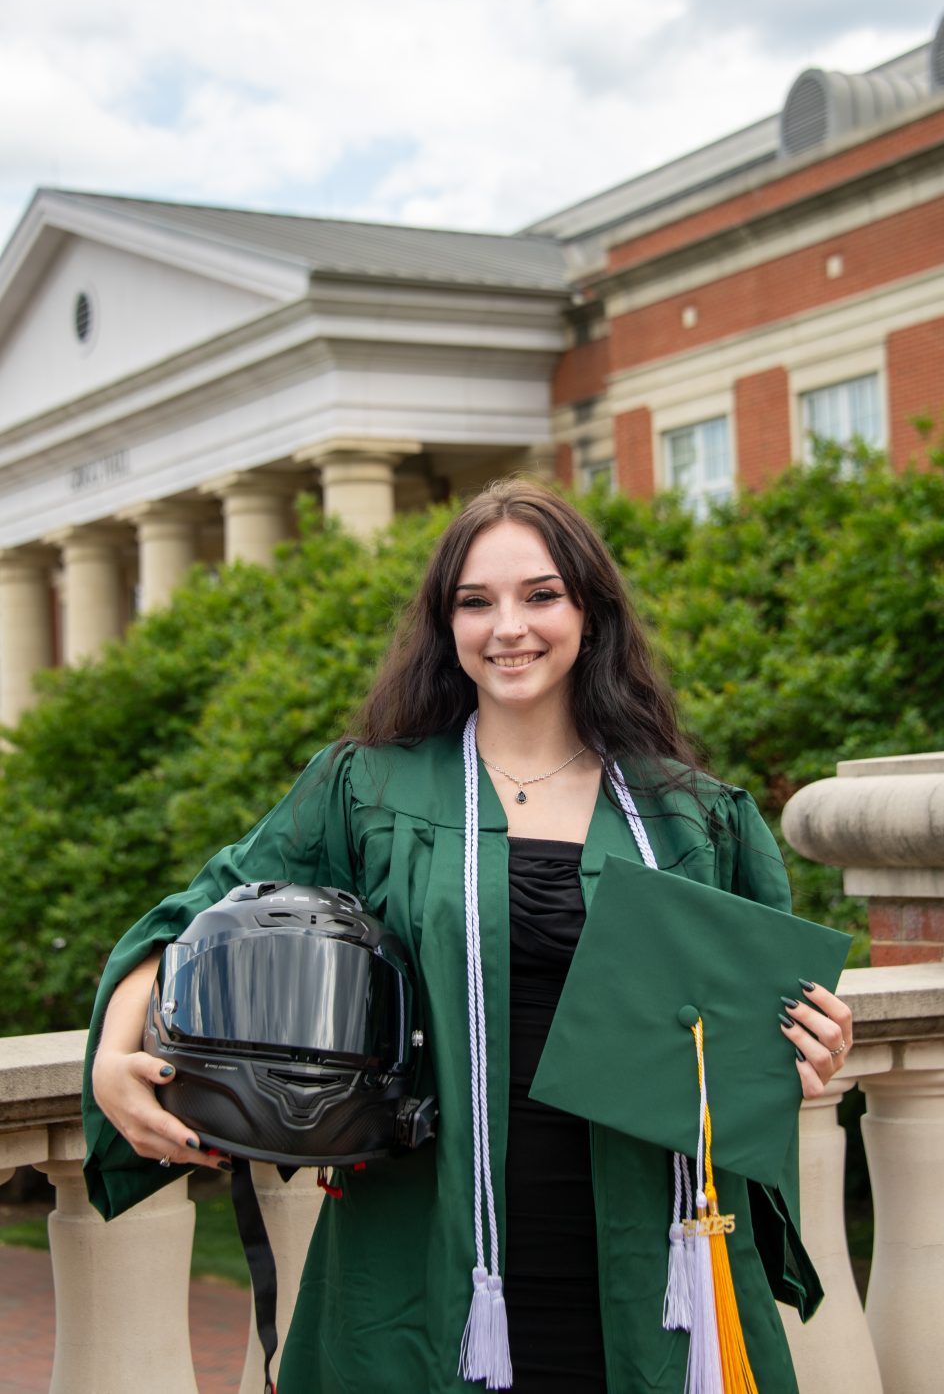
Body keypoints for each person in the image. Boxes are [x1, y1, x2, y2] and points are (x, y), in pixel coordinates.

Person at [85, 478, 853, 1394]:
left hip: (645, 1247)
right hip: (422, 1240)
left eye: (540, 596)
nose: (508, 628)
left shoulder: (688, 817)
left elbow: (744, 1022)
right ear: (445, 625)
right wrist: (114, 1051)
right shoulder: (370, 792)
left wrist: (805, 1048)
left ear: (590, 612)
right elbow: (196, 912)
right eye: (475, 602)